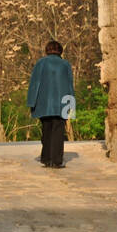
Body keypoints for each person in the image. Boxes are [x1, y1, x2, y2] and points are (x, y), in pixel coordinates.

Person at [27, 39, 75, 168]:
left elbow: (34, 84)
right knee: (58, 132)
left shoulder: (40, 63)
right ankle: (56, 161)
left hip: (43, 104)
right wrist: (71, 106)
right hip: (62, 104)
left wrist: (32, 103)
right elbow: (70, 86)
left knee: (46, 130)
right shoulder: (66, 65)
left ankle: (46, 159)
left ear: (47, 50)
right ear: (60, 51)